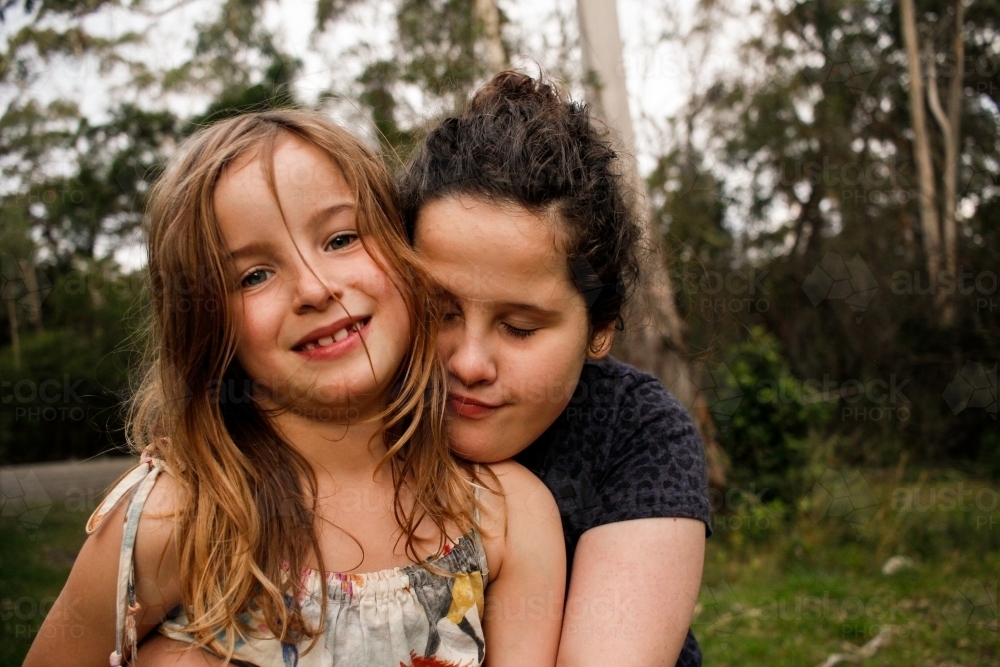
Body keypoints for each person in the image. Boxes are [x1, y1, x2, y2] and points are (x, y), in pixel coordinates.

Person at [23, 109, 565, 667]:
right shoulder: (182, 518)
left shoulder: (504, 516)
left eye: (341, 238)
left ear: (406, 255)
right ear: (208, 326)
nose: (314, 287)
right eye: (253, 275)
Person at [397, 71, 712, 666]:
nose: (468, 363)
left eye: (520, 328)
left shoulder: (637, 433)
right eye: (437, 311)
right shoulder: (356, 413)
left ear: (599, 330)